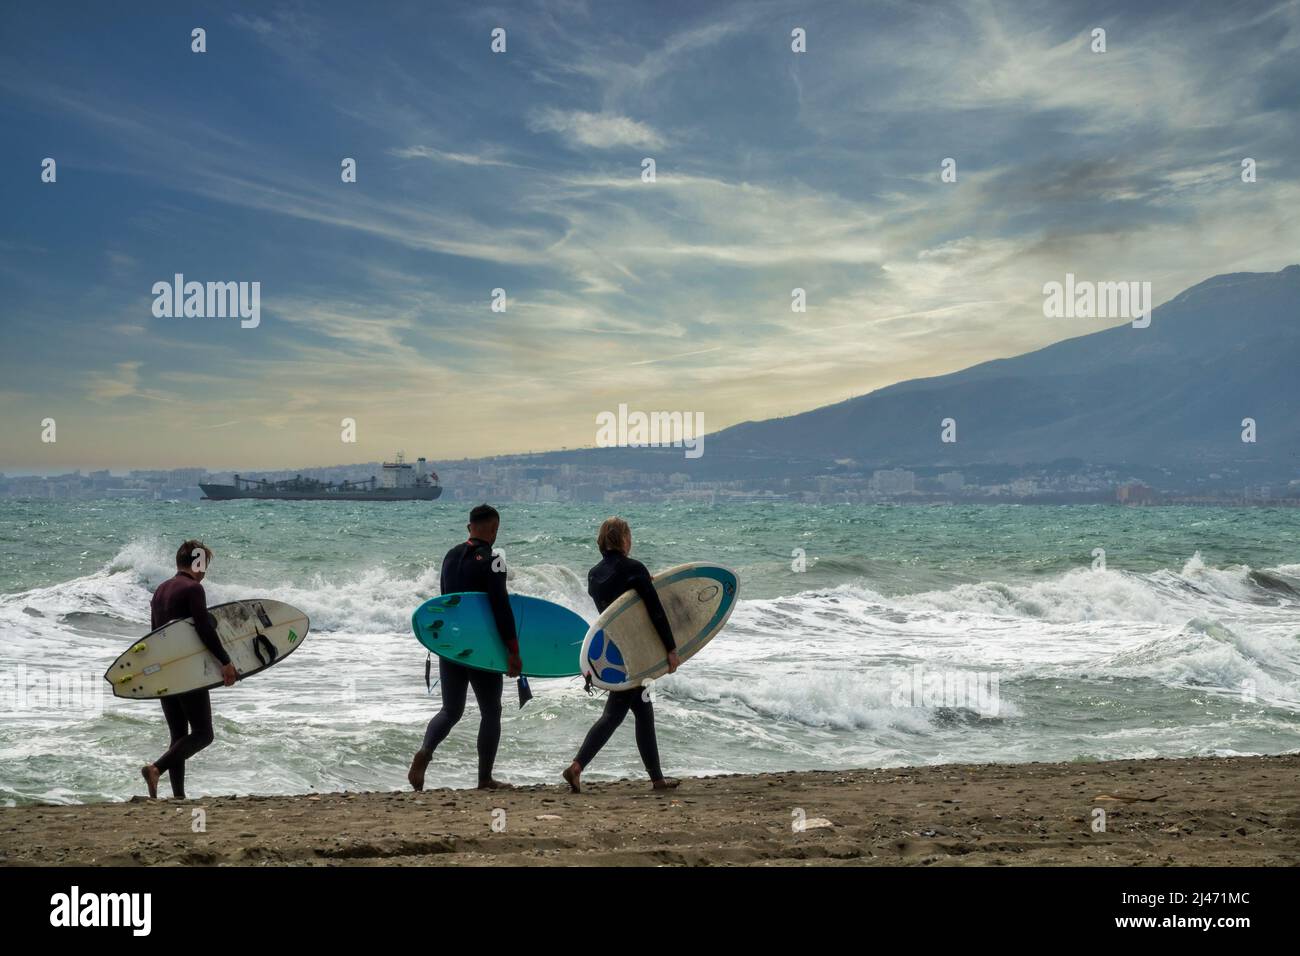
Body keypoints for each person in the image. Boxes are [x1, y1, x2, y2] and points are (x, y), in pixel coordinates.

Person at [408, 504, 522, 791]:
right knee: (491, 711)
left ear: (470, 526)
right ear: (494, 529)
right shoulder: (494, 560)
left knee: (451, 710)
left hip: (450, 644)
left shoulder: (450, 556)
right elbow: (501, 608)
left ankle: (425, 752)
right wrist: (513, 650)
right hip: (480, 646)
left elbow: (446, 601)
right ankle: (485, 778)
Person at [563, 517, 680, 793]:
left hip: (613, 652)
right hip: (637, 653)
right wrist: (671, 648)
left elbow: (613, 612)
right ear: (624, 539)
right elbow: (654, 611)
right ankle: (576, 766)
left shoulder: (593, 575)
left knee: (643, 710)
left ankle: (657, 779)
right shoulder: (635, 568)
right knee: (614, 715)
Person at [141, 540, 237, 799]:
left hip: (164, 668)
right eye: (204, 563)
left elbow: (154, 635)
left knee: (179, 735)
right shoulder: (193, 589)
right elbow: (204, 627)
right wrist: (225, 661)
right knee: (204, 734)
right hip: (186, 671)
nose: (205, 570)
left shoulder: (160, 590)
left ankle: (178, 796)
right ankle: (155, 769)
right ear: (197, 562)